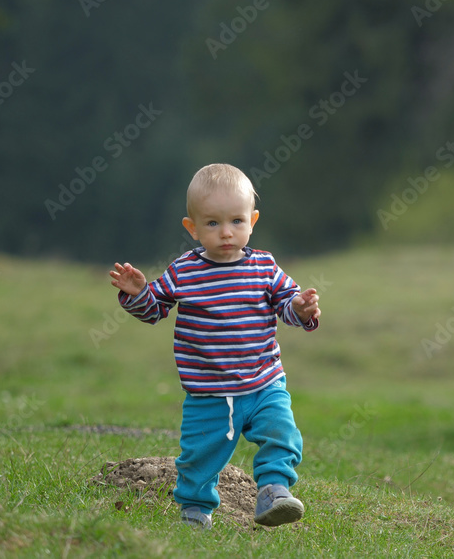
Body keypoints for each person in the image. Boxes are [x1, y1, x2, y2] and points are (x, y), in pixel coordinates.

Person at [108, 163, 320, 530]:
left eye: (237, 221)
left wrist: (300, 309)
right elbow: (155, 308)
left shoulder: (265, 267)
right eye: (212, 224)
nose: (226, 232)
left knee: (281, 435)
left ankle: (273, 491)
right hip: (208, 392)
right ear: (192, 228)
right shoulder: (184, 272)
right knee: (198, 457)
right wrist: (138, 293)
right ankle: (195, 511)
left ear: (252, 220)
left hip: (264, 381)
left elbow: (287, 303)